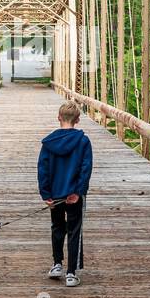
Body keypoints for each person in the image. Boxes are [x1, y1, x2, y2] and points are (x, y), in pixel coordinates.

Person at [37, 100, 93, 287]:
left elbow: (43, 170)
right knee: (75, 230)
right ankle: (71, 273)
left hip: (55, 193)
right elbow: (86, 169)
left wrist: (46, 195)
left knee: (57, 227)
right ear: (78, 120)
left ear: (58, 118)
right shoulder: (83, 141)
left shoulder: (48, 143)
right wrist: (78, 192)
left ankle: (57, 264)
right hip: (74, 195)